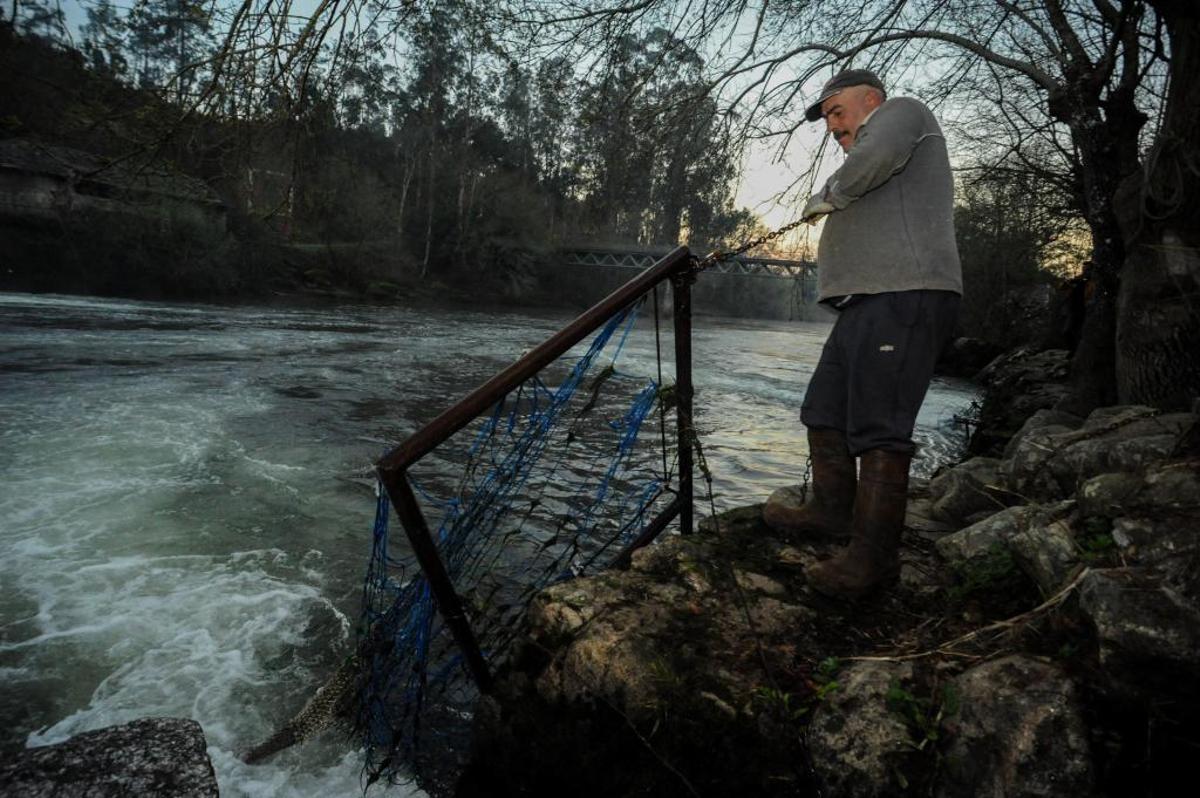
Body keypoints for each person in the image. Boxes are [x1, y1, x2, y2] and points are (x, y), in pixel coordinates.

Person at [763, 69, 962, 600]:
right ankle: (831, 513)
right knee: (823, 410)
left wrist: (830, 192)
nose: (832, 126)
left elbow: (870, 161)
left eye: (836, 111)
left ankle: (872, 563)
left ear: (870, 99)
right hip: (869, 301)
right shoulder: (871, 142)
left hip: (907, 293)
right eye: (827, 117)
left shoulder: (902, 113)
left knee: (878, 427)